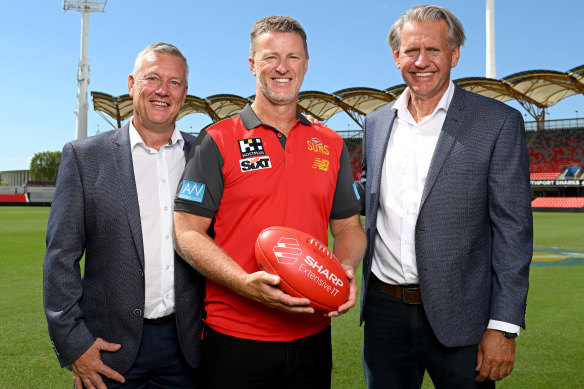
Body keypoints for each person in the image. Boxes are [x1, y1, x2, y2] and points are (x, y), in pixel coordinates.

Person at [173, 15, 366, 389]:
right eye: (270, 57)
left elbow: (349, 228)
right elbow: (187, 231)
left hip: (311, 335)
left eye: (293, 57)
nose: (282, 67)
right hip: (235, 337)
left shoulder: (331, 143)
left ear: (306, 65)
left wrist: (343, 269)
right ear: (252, 65)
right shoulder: (217, 139)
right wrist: (243, 282)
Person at [355, 5, 533, 388]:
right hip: (384, 313)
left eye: (433, 50)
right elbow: (367, 194)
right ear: (396, 56)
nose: (422, 61)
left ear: (453, 54)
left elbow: (513, 230)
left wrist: (503, 326)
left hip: (463, 317)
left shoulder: (497, 122)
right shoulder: (376, 123)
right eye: (411, 51)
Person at [43, 42, 204, 389]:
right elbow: (60, 260)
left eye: (174, 83)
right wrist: (75, 344)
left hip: (188, 349)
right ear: (131, 84)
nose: (163, 90)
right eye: (153, 78)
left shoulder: (205, 156)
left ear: (185, 94)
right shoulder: (85, 157)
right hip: (107, 351)